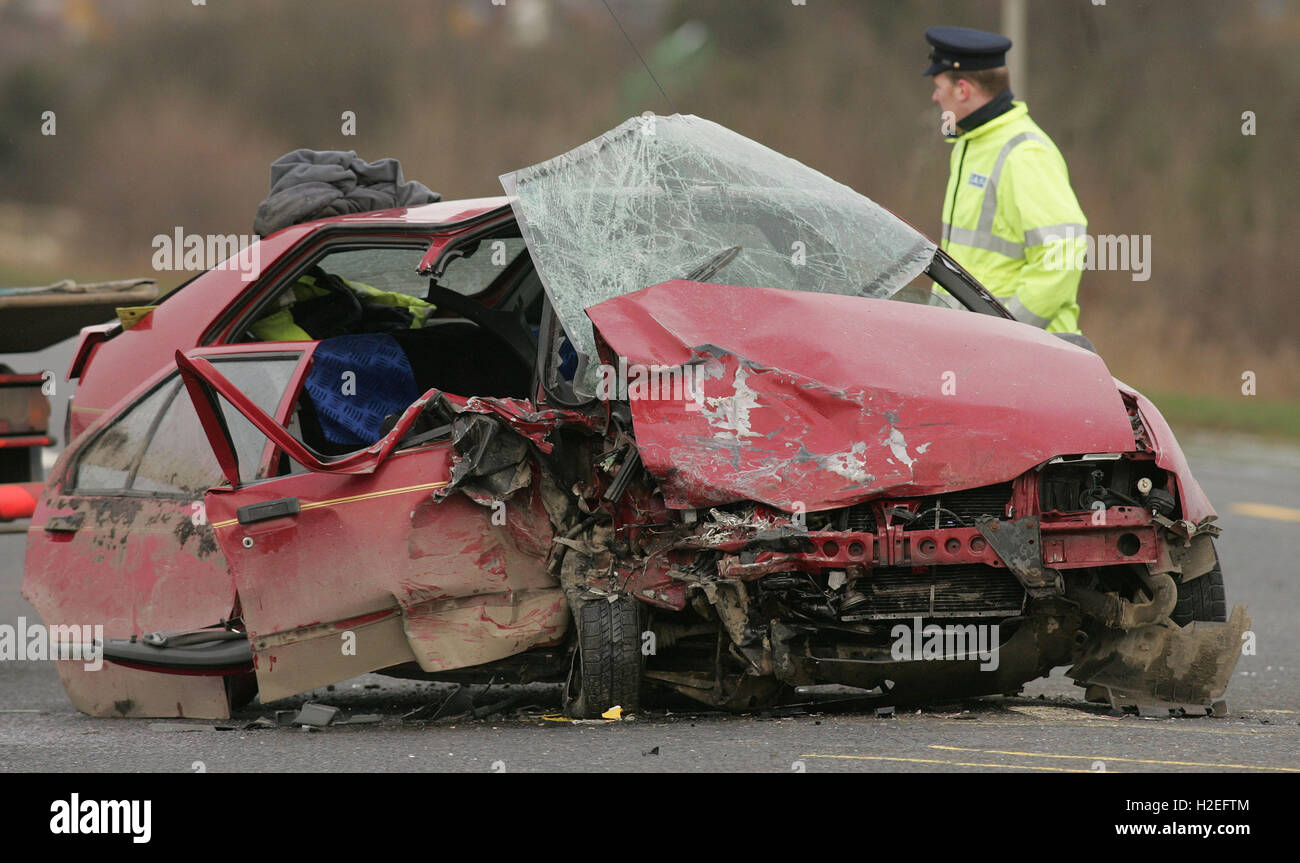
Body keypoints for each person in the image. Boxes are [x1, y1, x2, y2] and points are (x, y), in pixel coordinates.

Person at [925, 25, 1088, 335]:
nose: (934, 97)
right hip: (976, 349)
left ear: (963, 89)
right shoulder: (970, 145)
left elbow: (1062, 254)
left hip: (1025, 358)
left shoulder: (1024, 153)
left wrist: (1011, 333)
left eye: (938, 86)